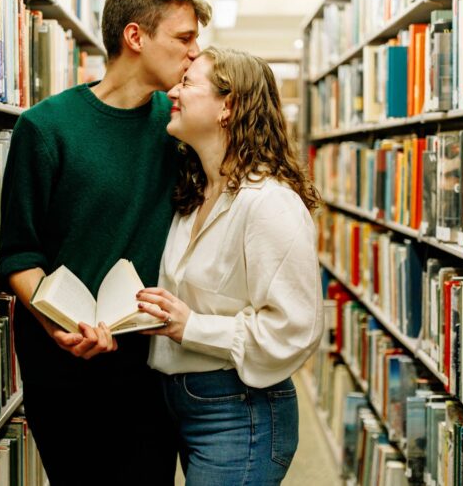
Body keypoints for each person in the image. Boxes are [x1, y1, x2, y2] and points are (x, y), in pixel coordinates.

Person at [0, 0, 211, 486]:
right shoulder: (44, 129)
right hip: (62, 362)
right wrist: (58, 325)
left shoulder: (183, 125)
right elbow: (20, 255)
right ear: (135, 36)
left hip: (152, 361)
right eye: (183, 38)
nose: (194, 54)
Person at [135, 47, 324, 485]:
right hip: (179, 401)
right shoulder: (195, 194)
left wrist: (192, 327)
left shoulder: (268, 203)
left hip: (241, 411)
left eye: (188, 83)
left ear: (229, 105)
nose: (172, 92)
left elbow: (295, 328)